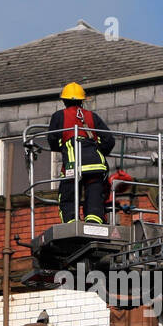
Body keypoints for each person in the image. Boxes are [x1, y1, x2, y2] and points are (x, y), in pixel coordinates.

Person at [48, 82, 116, 225]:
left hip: (73, 165)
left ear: (64, 100)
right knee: (94, 193)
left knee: (68, 195)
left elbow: (52, 140)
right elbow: (109, 140)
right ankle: (93, 221)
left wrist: (62, 147)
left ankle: (71, 222)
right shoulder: (92, 116)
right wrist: (98, 150)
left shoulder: (59, 116)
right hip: (96, 165)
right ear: (82, 100)